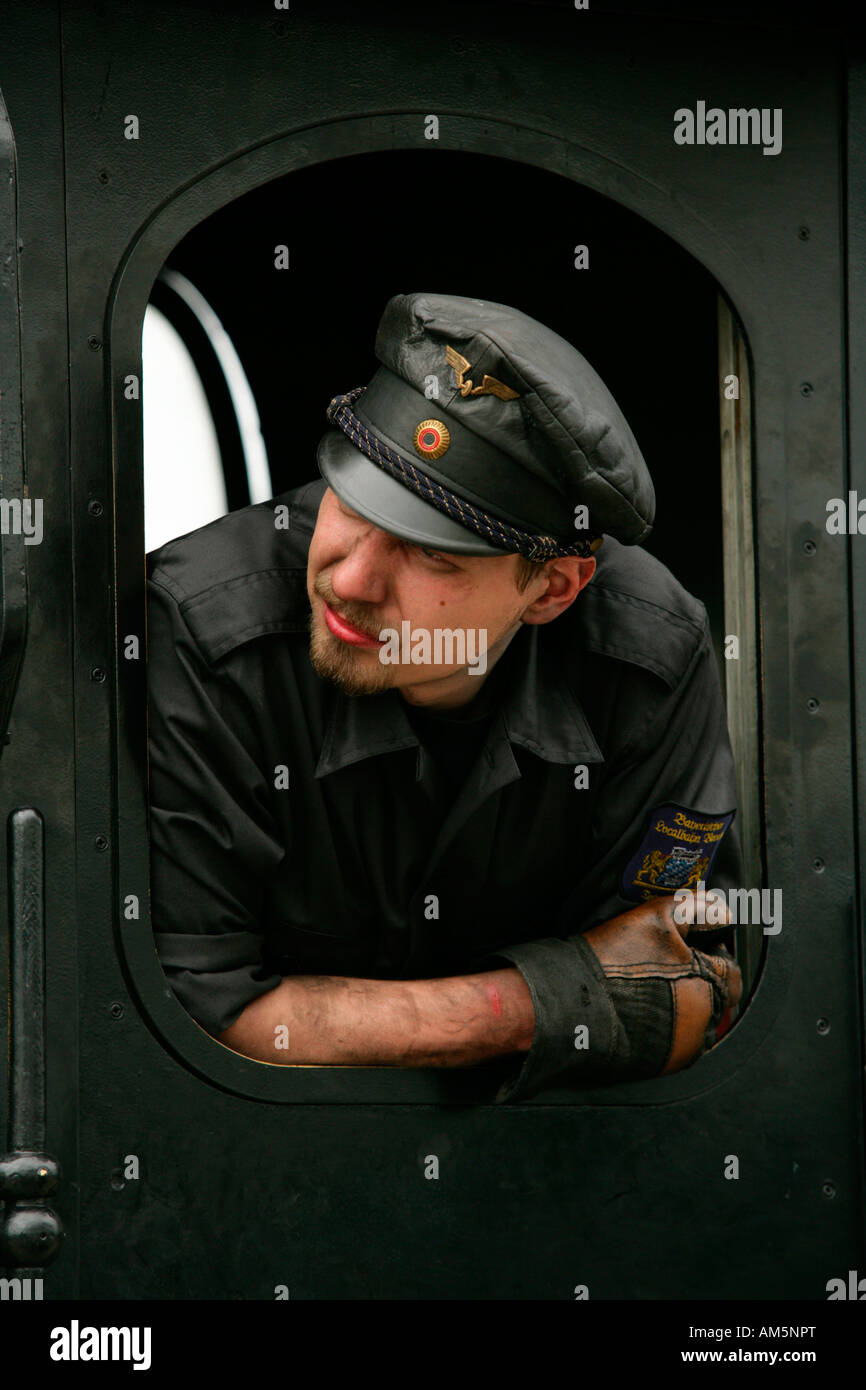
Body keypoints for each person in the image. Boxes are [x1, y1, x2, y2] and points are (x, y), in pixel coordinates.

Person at [145, 290, 743, 1103]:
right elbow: (201, 1019)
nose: (349, 580)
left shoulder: (646, 657)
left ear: (553, 590)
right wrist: (542, 1004)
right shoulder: (209, 632)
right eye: (349, 501)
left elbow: (678, 985)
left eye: (432, 556)